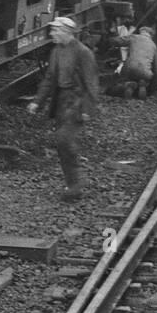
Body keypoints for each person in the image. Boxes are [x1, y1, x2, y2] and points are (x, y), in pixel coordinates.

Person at [27, 15, 99, 201]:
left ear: (66, 32)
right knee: (61, 143)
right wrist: (37, 101)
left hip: (76, 100)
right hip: (62, 100)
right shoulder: (57, 51)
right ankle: (72, 184)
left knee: (64, 139)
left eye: (55, 30)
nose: (52, 34)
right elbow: (50, 79)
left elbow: (91, 83)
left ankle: (77, 182)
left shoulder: (83, 52)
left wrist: (87, 110)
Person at [119, 23, 157, 99]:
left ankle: (129, 84)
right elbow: (155, 68)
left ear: (140, 32)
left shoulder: (133, 37)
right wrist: (154, 87)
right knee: (144, 76)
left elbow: (119, 41)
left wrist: (111, 40)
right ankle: (143, 83)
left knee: (128, 73)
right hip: (144, 72)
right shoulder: (154, 46)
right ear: (151, 35)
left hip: (129, 70)